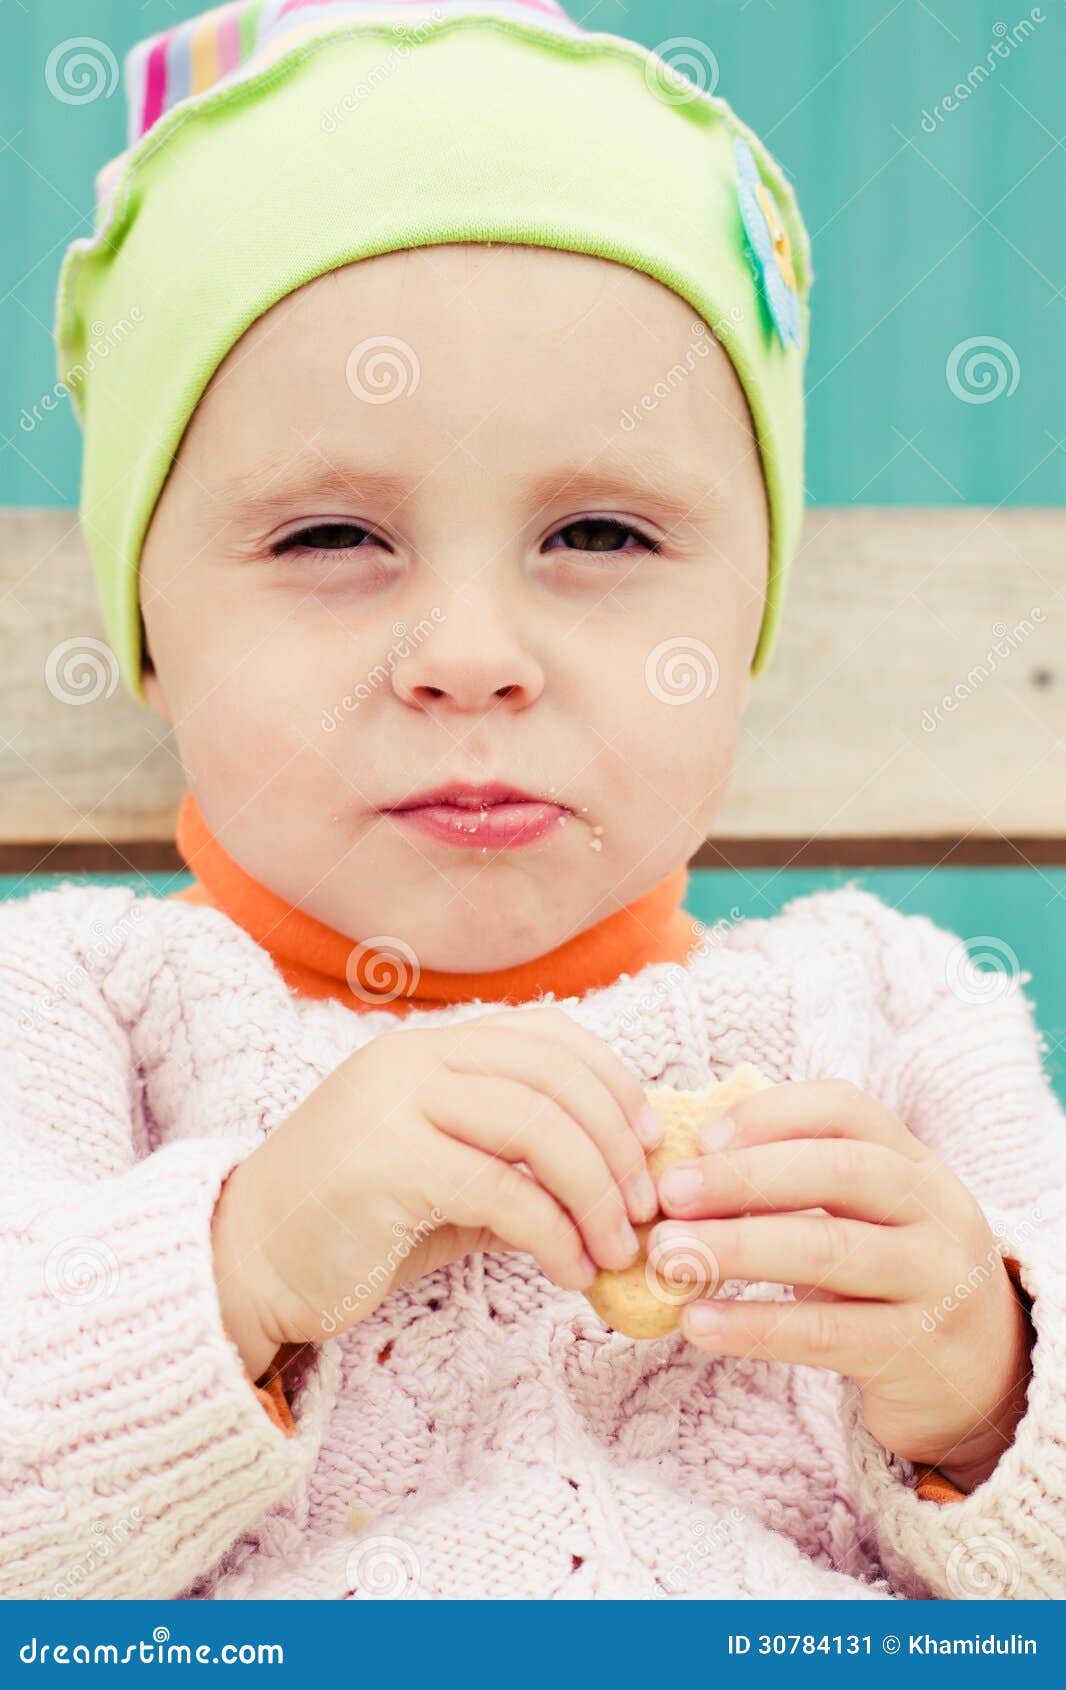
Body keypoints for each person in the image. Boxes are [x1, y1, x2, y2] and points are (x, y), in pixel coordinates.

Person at [4, 0, 1061, 1601]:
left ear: (746, 616)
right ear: (147, 631)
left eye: (603, 537)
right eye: (328, 539)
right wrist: (245, 1260)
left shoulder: (895, 1018)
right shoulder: (75, 1016)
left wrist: (984, 1384)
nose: (472, 657)